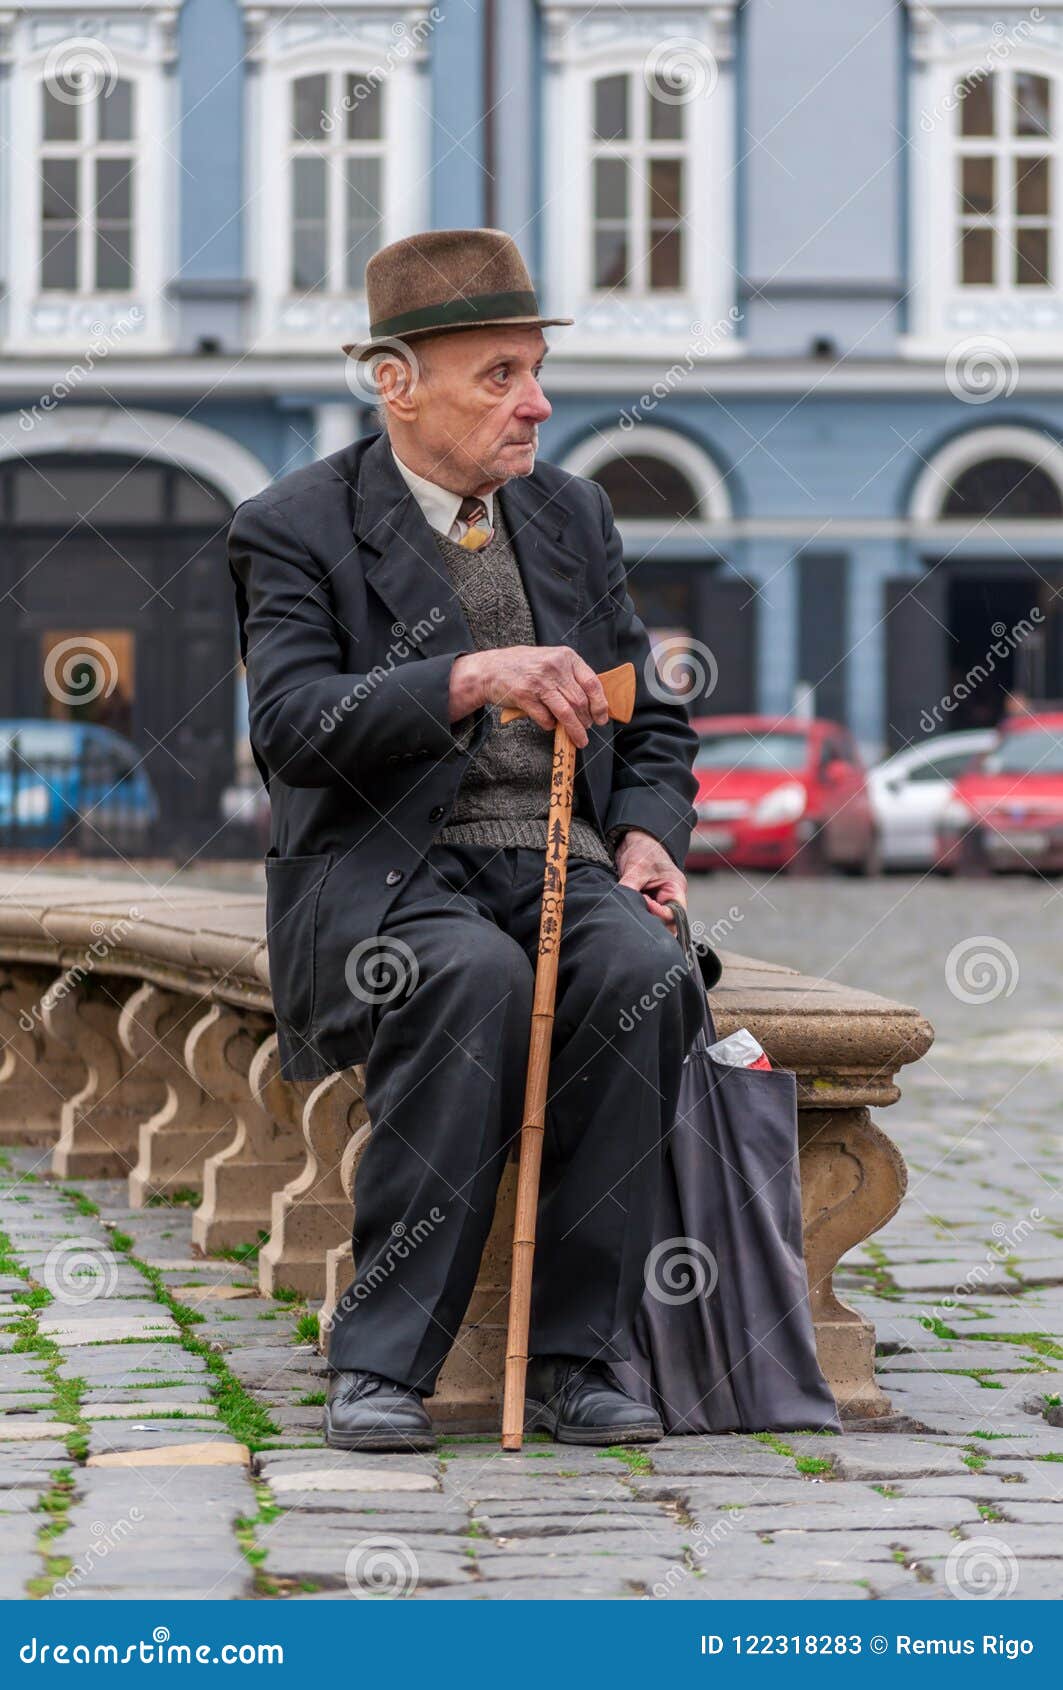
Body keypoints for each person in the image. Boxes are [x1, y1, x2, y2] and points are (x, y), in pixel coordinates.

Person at [227, 228, 709, 1453]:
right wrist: (469, 673)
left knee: (642, 977)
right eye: (498, 373)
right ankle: (380, 1360)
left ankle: (574, 1357)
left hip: (560, 857)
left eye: (535, 370)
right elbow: (291, 730)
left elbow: (645, 719)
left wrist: (648, 836)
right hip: (395, 873)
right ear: (396, 380)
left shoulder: (571, 515)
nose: (535, 403)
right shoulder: (293, 525)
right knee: (469, 979)